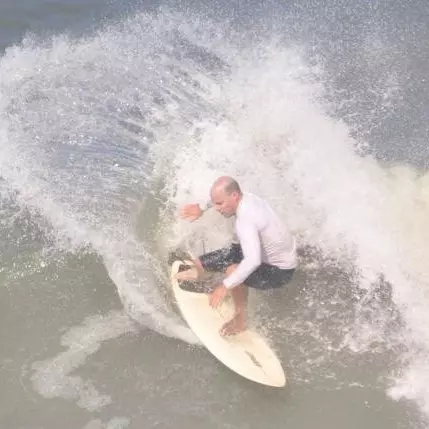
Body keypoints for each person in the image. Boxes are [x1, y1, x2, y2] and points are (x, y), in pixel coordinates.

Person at [176, 176, 297, 336]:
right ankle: (205, 277)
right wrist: (202, 208)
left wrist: (224, 286)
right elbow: (220, 197)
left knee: (233, 271)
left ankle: (240, 321)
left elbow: (252, 261)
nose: (217, 208)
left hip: (279, 272)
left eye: (220, 204)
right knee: (206, 261)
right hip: (267, 256)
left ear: (235, 196)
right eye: (215, 203)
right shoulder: (247, 197)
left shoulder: (245, 220)